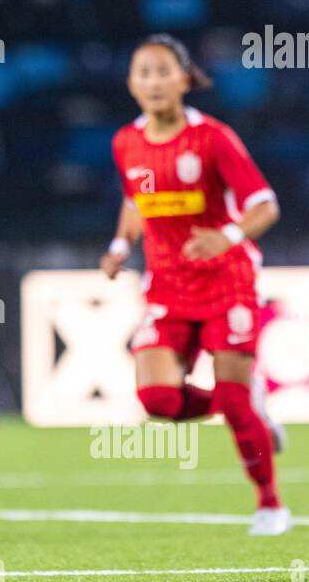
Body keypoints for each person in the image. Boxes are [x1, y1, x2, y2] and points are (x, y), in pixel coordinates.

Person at [101, 34, 289, 535]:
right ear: (131, 85)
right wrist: (121, 247)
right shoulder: (126, 142)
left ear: (184, 79)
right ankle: (247, 407)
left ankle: (270, 504)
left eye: (164, 71)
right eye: (144, 72)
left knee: (232, 399)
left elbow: (264, 205)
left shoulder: (213, 138)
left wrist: (226, 237)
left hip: (229, 284)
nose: (154, 82)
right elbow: (135, 201)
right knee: (158, 400)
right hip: (167, 288)